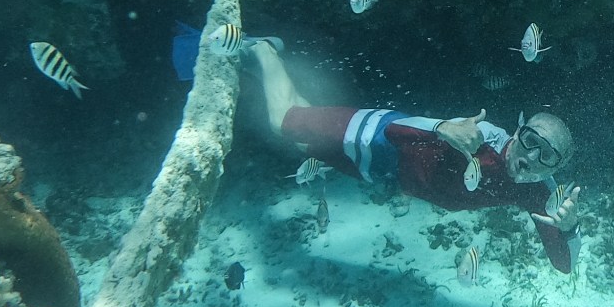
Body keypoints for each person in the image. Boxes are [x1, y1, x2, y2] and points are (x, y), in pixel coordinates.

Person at [241, 38, 584, 272]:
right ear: (517, 130)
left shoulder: (540, 193)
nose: (530, 158)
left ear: (559, 168)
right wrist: (441, 127)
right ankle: (264, 49)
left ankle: (264, 70)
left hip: (387, 176)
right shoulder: (482, 139)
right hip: (380, 138)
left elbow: (563, 265)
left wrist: (571, 231)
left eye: (547, 156)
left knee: (304, 142)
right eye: (529, 141)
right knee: (283, 122)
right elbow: (397, 128)